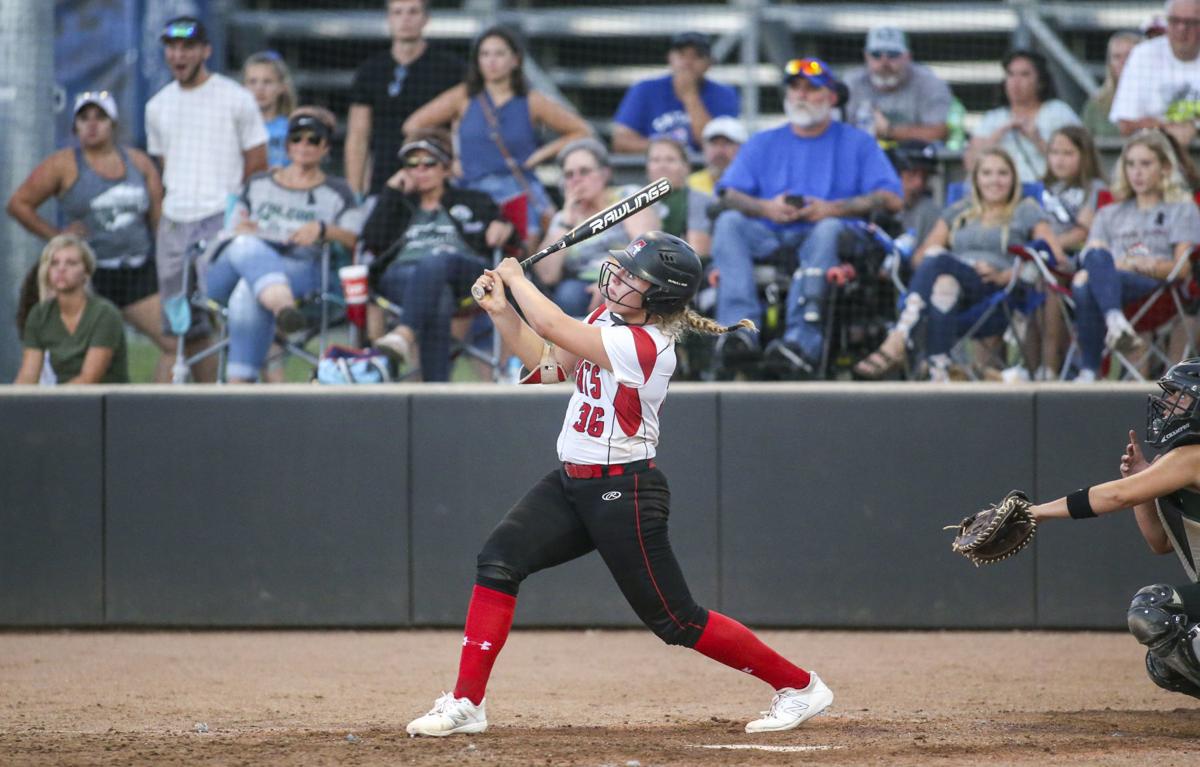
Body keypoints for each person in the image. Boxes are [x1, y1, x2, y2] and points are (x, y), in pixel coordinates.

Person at [404, 231, 833, 737]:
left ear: (661, 295)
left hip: (623, 492)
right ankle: (466, 702)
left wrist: (519, 279)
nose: (620, 278)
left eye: (635, 276)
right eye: (624, 269)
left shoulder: (647, 345)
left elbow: (550, 321)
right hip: (571, 483)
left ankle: (800, 687)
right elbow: (547, 367)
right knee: (499, 560)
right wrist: (502, 311)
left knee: (677, 620)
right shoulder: (607, 320)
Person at [1018, 357, 1200, 701]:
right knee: (1164, 661)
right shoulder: (1174, 462)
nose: (1170, 405)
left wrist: (1038, 512)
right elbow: (1159, 542)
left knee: (1153, 609)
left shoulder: (1191, 458)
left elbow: (1114, 496)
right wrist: (1141, 483)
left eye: (1182, 397)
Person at [710, 57, 901, 378]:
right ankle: (740, 331)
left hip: (831, 234)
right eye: (795, 88)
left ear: (832, 97)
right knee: (729, 223)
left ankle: (802, 341)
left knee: (826, 229)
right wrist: (766, 207)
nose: (801, 95)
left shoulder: (858, 142)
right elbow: (728, 193)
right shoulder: (763, 141)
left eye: (812, 89)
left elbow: (892, 198)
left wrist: (831, 208)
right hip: (771, 232)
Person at [852, 148, 1062, 381]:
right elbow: (921, 259)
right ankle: (939, 369)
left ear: (1014, 179)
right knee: (943, 280)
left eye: (1003, 173)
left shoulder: (1025, 210)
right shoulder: (959, 210)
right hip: (958, 287)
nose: (995, 180)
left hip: (997, 290)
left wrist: (1007, 274)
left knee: (938, 260)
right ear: (976, 179)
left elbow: (1052, 256)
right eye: (987, 173)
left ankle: (900, 336)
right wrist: (946, 262)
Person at [7, 90, 173, 382]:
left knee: (174, 344)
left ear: (114, 124)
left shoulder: (138, 163)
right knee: (81, 358)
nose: (92, 124)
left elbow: (158, 217)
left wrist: (165, 260)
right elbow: (18, 204)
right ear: (75, 127)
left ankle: (151, 414)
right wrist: (56, 235)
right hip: (88, 276)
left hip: (136, 271)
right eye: (84, 118)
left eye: (100, 117)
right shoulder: (63, 164)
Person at [146, 16, 268, 383]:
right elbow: (166, 166)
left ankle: (242, 388)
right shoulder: (157, 106)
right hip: (175, 222)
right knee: (178, 324)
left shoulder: (236, 98)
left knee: (228, 314)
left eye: (187, 47)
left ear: (205, 51)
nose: (178, 55)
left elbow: (258, 164)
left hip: (221, 218)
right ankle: (194, 398)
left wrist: (235, 211)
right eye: (171, 47)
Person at [199, 109, 358, 383]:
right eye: (297, 139)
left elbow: (355, 238)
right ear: (286, 146)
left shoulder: (339, 191)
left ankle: (239, 386)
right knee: (246, 245)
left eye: (313, 140)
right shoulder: (258, 183)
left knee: (247, 291)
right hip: (237, 263)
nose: (304, 146)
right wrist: (244, 229)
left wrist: (323, 229)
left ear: (326, 148)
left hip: (300, 269)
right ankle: (282, 306)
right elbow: (233, 228)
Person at [402, 25, 591, 243]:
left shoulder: (532, 100)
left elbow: (582, 131)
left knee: (526, 247)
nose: (491, 61)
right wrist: (449, 158)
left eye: (500, 53)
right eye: (485, 54)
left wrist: (541, 154)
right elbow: (413, 126)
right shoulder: (463, 96)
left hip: (517, 189)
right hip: (471, 191)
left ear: (515, 60)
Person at [361, 130, 515, 381]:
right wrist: (391, 191)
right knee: (439, 297)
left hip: (464, 274)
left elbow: (510, 239)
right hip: (404, 277)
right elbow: (371, 240)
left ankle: (404, 334)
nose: (420, 170)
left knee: (438, 259)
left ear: (446, 168)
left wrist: (504, 226)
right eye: (412, 165)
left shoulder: (474, 200)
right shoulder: (398, 204)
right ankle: (436, 391)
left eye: (429, 163)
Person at [1070, 129, 1200, 383]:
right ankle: (1115, 320)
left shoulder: (1182, 209)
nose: (1136, 172)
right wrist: (1124, 264)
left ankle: (1090, 369)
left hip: (1154, 289)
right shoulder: (1110, 213)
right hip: (1113, 282)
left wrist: (1145, 265)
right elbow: (1094, 256)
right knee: (1092, 262)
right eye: (1130, 164)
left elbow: (1181, 269)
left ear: (1164, 167)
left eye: (1145, 164)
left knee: (1085, 281)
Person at [344, 0, 462, 199]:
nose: (405, 19)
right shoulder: (370, 70)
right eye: (397, 13)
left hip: (436, 187)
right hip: (383, 183)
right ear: (388, 19)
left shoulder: (451, 69)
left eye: (413, 12)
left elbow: (461, 131)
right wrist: (354, 192)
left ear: (426, 18)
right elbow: (357, 137)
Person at [532, 138, 661, 317]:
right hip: (581, 286)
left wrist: (610, 280)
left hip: (631, 277)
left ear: (605, 173)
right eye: (569, 175)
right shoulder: (563, 217)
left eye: (584, 171)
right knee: (567, 295)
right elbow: (547, 275)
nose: (576, 180)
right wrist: (566, 222)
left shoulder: (627, 197)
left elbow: (644, 246)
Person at [1033, 126, 1108, 380]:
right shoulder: (1040, 189)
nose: (1059, 159)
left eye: (1068, 152)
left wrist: (1050, 244)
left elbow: (1083, 232)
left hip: (1078, 261)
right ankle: (1029, 367)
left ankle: (1049, 366)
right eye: (1054, 152)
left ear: (1084, 155)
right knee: (1035, 280)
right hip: (1039, 260)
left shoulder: (1095, 188)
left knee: (1050, 283)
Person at [14, 235, 128, 384]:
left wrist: (52, 404)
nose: (61, 269)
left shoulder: (105, 314)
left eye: (71, 263)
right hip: (62, 400)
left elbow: (89, 378)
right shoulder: (39, 314)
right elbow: (28, 376)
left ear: (86, 273)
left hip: (105, 403)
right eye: (54, 263)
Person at [611, 32, 739, 153]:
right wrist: (667, 150)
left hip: (702, 171)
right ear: (670, 58)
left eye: (697, 56)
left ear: (709, 63)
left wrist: (690, 96)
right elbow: (620, 142)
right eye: (681, 55)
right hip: (656, 172)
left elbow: (717, 148)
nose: (687, 63)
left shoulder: (725, 94)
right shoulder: (644, 90)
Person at [966, 49, 1081, 184]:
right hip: (1002, 193)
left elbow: (1080, 160)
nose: (1016, 82)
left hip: (1049, 191)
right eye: (1011, 74)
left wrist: (1037, 139)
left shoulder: (1058, 112)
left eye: (1024, 75)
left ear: (1041, 81)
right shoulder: (993, 118)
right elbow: (970, 164)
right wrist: (998, 135)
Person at [842, 25, 952, 145]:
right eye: (876, 54)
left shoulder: (930, 83)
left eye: (893, 54)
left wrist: (888, 131)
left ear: (908, 57)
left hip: (914, 159)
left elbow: (939, 133)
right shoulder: (851, 83)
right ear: (866, 56)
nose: (884, 62)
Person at [1111, 0, 1200, 147]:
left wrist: (1195, 127)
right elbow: (1125, 123)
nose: (1182, 28)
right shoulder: (1143, 55)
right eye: (1174, 21)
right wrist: (1167, 129)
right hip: (1155, 155)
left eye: (1190, 22)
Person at [646, 136, 713, 256]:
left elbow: (697, 252)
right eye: (655, 160)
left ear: (686, 167)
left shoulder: (700, 200)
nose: (662, 165)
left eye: (670, 160)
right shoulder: (636, 198)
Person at [1081, 31, 1142, 140]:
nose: (1123, 62)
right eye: (1117, 57)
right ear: (1110, 63)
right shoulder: (1096, 104)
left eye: (1129, 55)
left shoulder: (1159, 99)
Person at [242, 50, 297, 169]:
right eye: (252, 82)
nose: (259, 88)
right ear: (243, 86)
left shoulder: (292, 129)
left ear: (282, 87)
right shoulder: (237, 128)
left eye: (267, 82)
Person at [687, 115, 746, 195]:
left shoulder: (753, 186)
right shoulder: (689, 184)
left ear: (743, 148)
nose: (719, 151)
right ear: (704, 148)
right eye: (713, 144)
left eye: (727, 143)